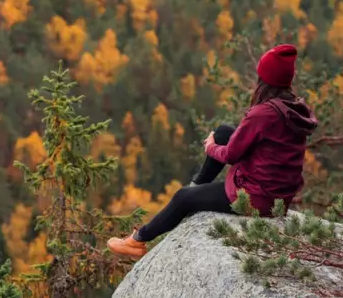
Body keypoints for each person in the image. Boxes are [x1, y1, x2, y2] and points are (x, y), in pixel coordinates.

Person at [107, 44, 318, 259]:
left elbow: (230, 155)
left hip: (256, 197)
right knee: (225, 132)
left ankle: (138, 241)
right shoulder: (292, 108)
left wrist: (210, 147)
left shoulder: (263, 114)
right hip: (278, 194)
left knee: (182, 198)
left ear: (264, 79)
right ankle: (198, 189)